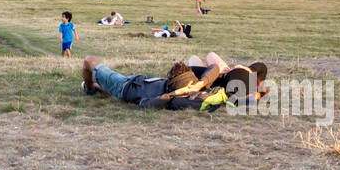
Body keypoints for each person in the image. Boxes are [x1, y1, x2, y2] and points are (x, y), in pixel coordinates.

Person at [81, 53, 266, 108]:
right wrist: (200, 83)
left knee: (89, 61)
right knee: (107, 87)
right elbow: (214, 68)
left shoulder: (172, 96)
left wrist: (173, 94)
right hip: (144, 81)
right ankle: (94, 87)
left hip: (127, 86)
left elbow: (146, 104)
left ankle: (90, 88)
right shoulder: (197, 88)